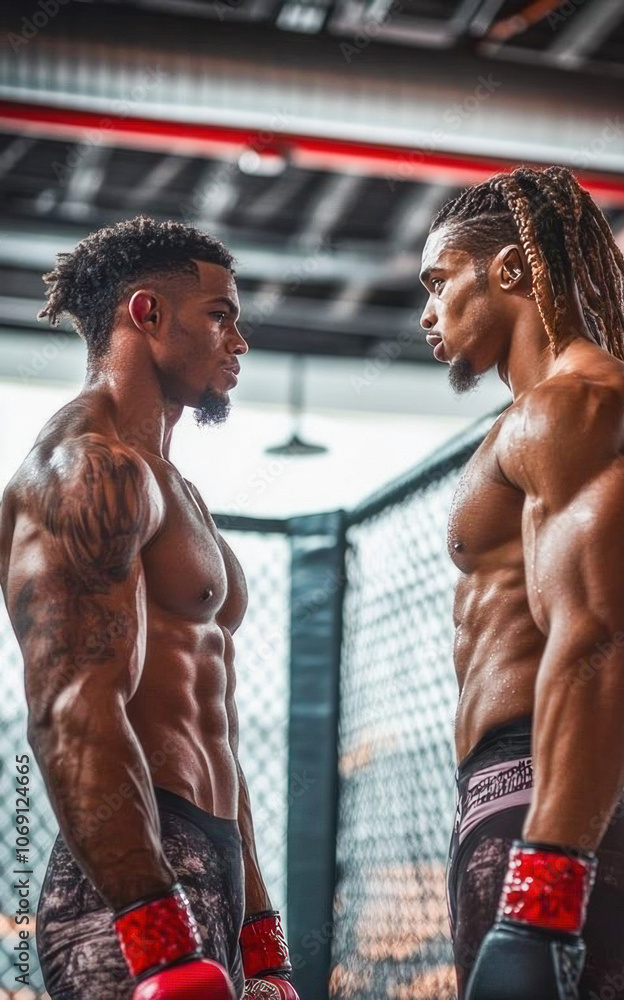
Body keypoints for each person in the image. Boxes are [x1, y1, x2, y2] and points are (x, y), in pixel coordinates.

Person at [0, 216, 299, 1000]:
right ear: (147, 313)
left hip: (212, 866)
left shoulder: (176, 488)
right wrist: (157, 938)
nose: (239, 342)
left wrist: (262, 939)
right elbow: (72, 711)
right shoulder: (83, 470)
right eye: (220, 316)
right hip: (126, 893)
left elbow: (218, 732)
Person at [419, 165, 624, 1000]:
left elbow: (600, 636)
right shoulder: (541, 413)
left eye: (439, 280)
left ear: (510, 271)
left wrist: (542, 895)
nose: (426, 312)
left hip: (540, 817)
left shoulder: (578, 403)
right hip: (515, 808)